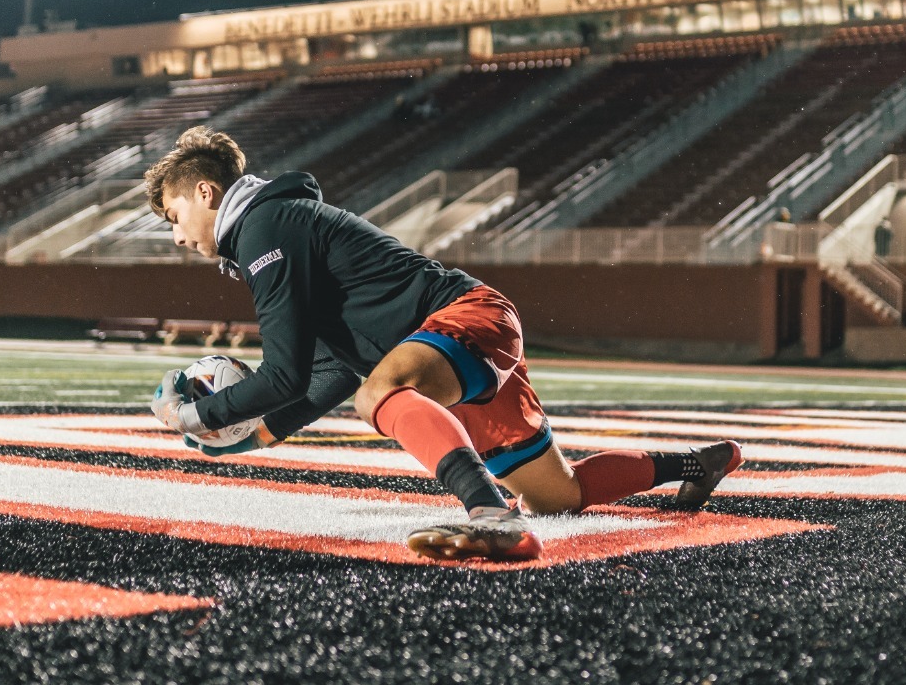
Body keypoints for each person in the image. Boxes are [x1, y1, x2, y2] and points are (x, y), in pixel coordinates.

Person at [144, 126, 744, 563]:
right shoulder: (276, 228)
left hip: (466, 319)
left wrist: (198, 413)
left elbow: (285, 374)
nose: (175, 237)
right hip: (457, 343)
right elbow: (325, 377)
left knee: (383, 390)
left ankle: (487, 514)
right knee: (560, 496)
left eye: (172, 216)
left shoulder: (265, 229)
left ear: (205, 193)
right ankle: (699, 463)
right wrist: (251, 437)